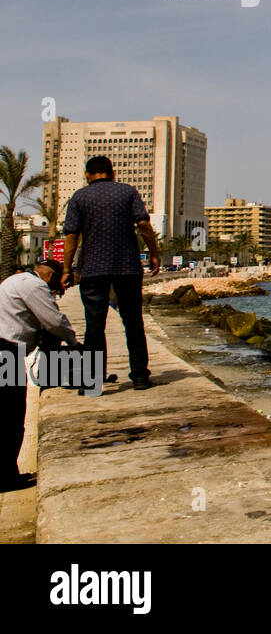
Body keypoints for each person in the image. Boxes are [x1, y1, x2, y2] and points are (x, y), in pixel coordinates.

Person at [61, 156, 160, 390]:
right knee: (133, 322)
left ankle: (93, 382)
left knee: (94, 325)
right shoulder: (127, 192)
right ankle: (139, 377)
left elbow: (71, 237)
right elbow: (144, 225)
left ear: (87, 174)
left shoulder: (79, 197)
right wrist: (154, 252)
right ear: (112, 172)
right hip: (127, 267)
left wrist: (67, 269)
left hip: (93, 269)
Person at [0, 259, 79, 490]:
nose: (61, 288)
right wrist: (73, 342)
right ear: (51, 275)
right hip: (6, 353)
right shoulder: (34, 286)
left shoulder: (15, 280)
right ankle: (6, 477)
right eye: (62, 281)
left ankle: (7, 473)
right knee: (11, 416)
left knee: (6, 415)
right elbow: (54, 321)